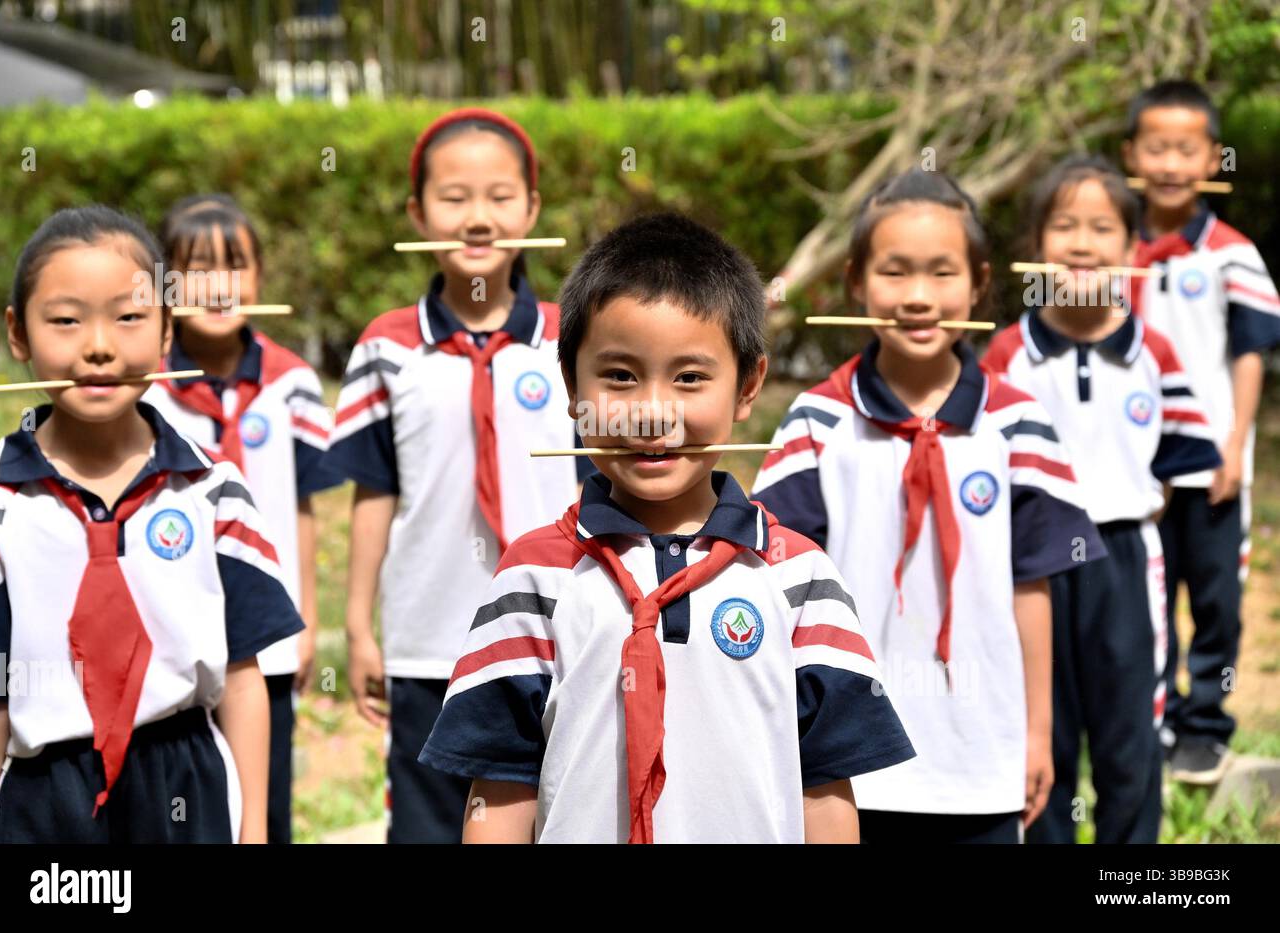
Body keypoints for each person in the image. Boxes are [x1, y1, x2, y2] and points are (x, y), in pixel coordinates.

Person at [419, 212, 915, 843]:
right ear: (572, 385)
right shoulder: (533, 576)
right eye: (620, 376)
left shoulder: (800, 578)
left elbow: (825, 789)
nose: (654, 413)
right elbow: (499, 790)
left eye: (689, 378)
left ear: (748, 387)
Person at [754, 170, 1102, 844]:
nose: (918, 297)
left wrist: (1037, 731)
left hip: (981, 753)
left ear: (978, 284)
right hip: (849, 763)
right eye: (895, 272)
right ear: (855, 281)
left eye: (943, 274)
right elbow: (779, 584)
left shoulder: (1018, 422)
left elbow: (1032, 585)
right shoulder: (818, 421)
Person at [0, 205, 301, 843]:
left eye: (128, 318)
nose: (98, 346)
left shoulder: (214, 491)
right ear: (19, 332)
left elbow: (243, 679)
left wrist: (256, 829)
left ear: (164, 331)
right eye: (66, 320)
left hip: (187, 785)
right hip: (46, 799)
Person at [325, 108, 591, 843]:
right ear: (417, 213)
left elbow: (595, 485)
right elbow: (374, 492)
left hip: (554, 630)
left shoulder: (573, 340)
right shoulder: (386, 347)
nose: (478, 217)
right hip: (427, 641)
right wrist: (358, 625)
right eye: (454, 197)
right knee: (427, 822)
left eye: (501, 197)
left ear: (532, 211)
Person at [984, 155, 1221, 842]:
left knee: (1129, 735)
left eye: (1102, 228)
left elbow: (1182, 464)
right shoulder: (1006, 355)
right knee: (1043, 726)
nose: (1082, 243)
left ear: (1131, 249)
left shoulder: (1157, 353)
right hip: (1031, 564)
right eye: (1063, 226)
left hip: (1123, 557)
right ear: (1035, 248)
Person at [144, 193, 340, 843]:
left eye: (235, 266)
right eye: (196, 269)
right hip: (172, 642)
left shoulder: (293, 383)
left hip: (268, 639)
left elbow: (304, 509)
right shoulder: (143, 391)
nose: (218, 287)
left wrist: (307, 618)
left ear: (258, 279)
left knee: (266, 806)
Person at [1123, 79, 1280, 783]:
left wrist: (1234, 446)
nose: (1169, 162)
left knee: (1214, 599)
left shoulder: (1234, 255)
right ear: (1131, 153)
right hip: (1137, 469)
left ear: (1214, 158)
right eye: (1155, 146)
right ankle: (1149, 721)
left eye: (1186, 148)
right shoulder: (1111, 253)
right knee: (1146, 597)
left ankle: (1205, 727)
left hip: (1211, 464)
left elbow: (1250, 354)